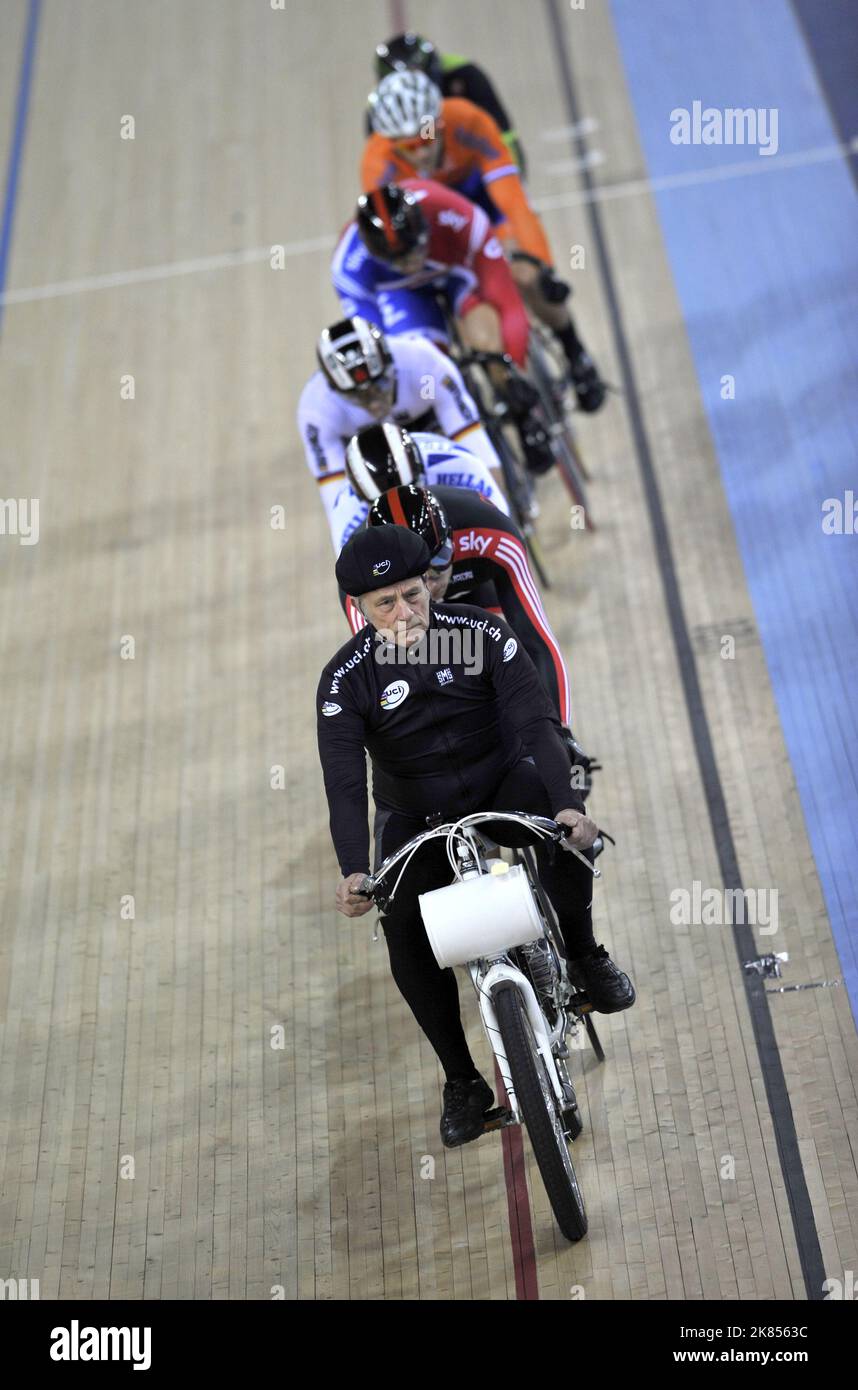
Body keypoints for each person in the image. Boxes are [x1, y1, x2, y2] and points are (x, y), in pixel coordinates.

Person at [316, 526, 634, 1147]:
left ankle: (586, 954)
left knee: (564, 835)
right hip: (417, 818)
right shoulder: (344, 681)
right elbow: (346, 786)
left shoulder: (479, 633)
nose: (405, 614)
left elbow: (535, 720)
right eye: (386, 604)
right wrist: (356, 870)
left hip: (501, 782)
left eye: (413, 595)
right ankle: (461, 1079)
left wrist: (567, 806)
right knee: (402, 922)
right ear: (360, 608)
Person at [361, 70, 605, 411]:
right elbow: (395, 237)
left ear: (440, 123)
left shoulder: (468, 121)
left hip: (482, 203)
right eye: (408, 146)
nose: (419, 154)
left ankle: (575, 350)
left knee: (527, 276)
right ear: (390, 142)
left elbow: (514, 203)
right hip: (434, 226)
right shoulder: (378, 164)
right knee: (467, 304)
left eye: (426, 139)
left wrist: (540, 264)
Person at [333, 180, 556, 472]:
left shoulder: (455, 214)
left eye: (413, 251)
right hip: (403, 296)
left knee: (489, 342)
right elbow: (378, 345)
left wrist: (511, 365)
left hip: (455, 273)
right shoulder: (349, 266)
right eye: (399, 260)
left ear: (423, 227)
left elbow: (505, 300)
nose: (410, 263)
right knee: (422, 362)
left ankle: (522, 414)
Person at [298, 315, 505, 544]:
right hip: (368, 448)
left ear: (391, 364)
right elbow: (338, 501)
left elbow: (476, 446)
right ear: (336, 391)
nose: (374, 404)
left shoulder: (423, 362)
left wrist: (501, 516)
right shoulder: (316, 410)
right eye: (360, 397)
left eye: (379, 386)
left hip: (429, 424)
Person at [326, 419, 509, 560]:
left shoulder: (459, 465)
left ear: (422, 469)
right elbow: (358, 580)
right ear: (361, 498)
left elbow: (503, 526)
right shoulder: (346, 511)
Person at [373, 31, 527, 176]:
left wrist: (514, 175)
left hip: (472, 164)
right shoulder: (381, 109)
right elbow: (382, 162)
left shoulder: (465, 74)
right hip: (427, 174)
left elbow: (504, 134)